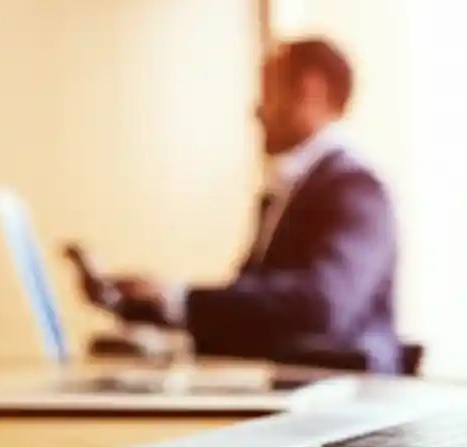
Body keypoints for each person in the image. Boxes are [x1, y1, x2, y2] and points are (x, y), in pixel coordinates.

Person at [84, 38, 403, 373]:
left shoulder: (355, 188)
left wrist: (180, 298)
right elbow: (253, 304)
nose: (256, 110)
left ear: (309, 91)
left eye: (268, 92)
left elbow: (321, 306)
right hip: (290, 389)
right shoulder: (285, 192)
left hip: (347, 400)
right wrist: (151, 305)